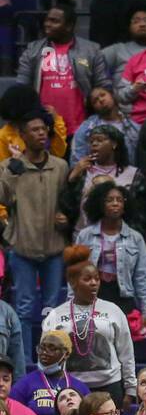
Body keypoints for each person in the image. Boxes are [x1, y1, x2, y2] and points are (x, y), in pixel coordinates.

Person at [0, 113, 72, 360]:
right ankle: (24, 364)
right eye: (35, 130)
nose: (41, 133)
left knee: (52, 310)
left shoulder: (60, 166)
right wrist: (13, 168)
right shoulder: (11, 167)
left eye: (44, 129)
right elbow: (4, 197)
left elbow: (68, 200)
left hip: (54, 247)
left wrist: (65, 215)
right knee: (24, 308)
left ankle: (51, 360)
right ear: (22, 136)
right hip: (23, 248)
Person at [42, 246, 135, 403]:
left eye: (97, 279)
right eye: (87, 279)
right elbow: (46, 357)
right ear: (72, 282)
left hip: (110, 385)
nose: (94, 283)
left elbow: (126, 353)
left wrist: (130, 387)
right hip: (71, 387)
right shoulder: (56, 315)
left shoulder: (113, 310)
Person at [16, 3, 112, 139]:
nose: (47, 24)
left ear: (69, 26)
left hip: (81, 126)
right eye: (47, 20)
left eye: (54, 21)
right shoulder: (33, 50)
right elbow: (21, 88)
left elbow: (103, 86)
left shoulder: (91, 50)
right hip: (43, 128)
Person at [73, 183, 146, 328]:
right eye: (109, 200)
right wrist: (73, 305)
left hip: (123, 296)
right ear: (100, 204)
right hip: (94, 294)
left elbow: (142, 277)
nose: (115, 204)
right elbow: (75, 273)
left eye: (119, 200)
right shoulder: (85, 236)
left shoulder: (135, 238)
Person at [12, 331, 89, 415]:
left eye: (52, 348)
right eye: (42, 348)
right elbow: (12, 414)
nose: (44, 352)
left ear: (66, 354)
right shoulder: (24, 384)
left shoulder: (80, 387)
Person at [64, 125, 138, 222]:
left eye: (100, 140)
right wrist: (72, 179)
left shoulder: (133, 174)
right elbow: (68, 208)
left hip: (121, 233)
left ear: (114, 144)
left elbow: (137, 212)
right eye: (91, 141)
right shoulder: (82, 171)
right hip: (84, 234)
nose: (94, 144)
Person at [70, 87, 139, 166]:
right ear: (93, 108)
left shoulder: (133, 127)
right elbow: (76, 160)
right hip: (97, 176)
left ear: (112, 95)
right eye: (95, 101)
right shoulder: (86, 129)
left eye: (103, 95)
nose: (101, 100)